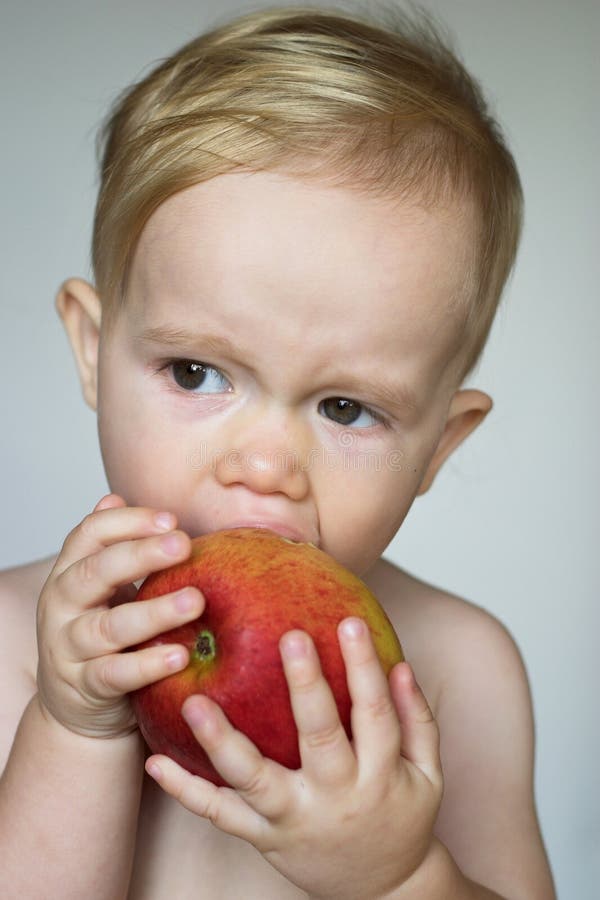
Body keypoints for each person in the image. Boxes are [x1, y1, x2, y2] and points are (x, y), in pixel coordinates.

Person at [0, 4, 556, 898]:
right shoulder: (20, 641)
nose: (263, 466)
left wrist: (403, 873)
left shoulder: (458, 670)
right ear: (93, 351)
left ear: (437, 448)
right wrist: (75, 726)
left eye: (346, 407)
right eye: (194, 372)